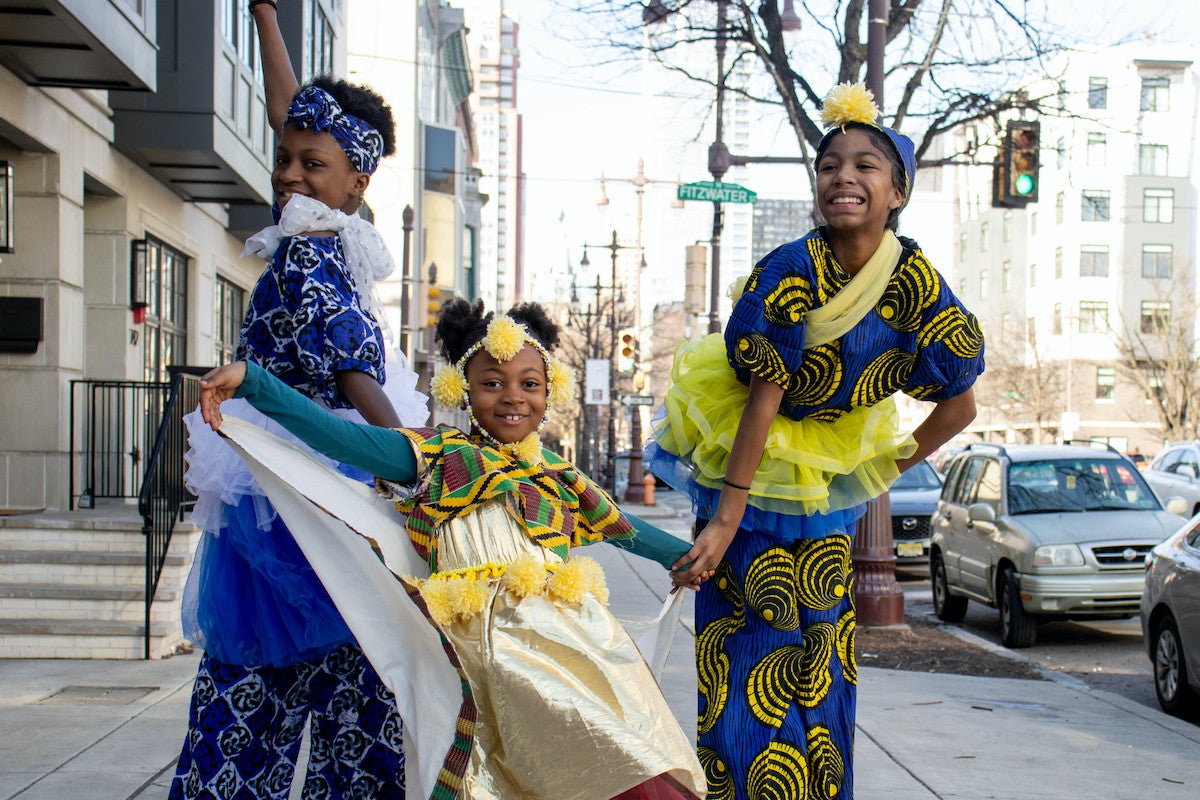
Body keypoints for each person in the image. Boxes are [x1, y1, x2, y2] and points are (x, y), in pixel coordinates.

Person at [194, 297, 708, 800]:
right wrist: (256, 383)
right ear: (463, 392)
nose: (512, 397)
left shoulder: (558, 473)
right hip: (483, 653)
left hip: (572, 643)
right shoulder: (436, 455)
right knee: (506, 770)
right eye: (492, 384)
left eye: (529, 384)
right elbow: (340, 440)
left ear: (550, 394)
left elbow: (628, 530)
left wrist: (694, 557)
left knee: (616, 752)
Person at [646, 83, 985, 800]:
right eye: (830, 165)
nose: (845, 177)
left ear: (898, 192)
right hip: (752, 469)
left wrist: (873, 467)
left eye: (867, 166)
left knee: (822, 668)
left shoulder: (918, 282)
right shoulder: (789, 268)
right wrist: (726, 517)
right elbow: (765, 394)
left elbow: (959, 405)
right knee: (745, 668)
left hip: (824, 494)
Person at [168, 3, 424, 798]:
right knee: (352, 703)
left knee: (262, 710)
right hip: (307, 505)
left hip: (303, 501)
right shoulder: (317, 245)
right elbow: (355, 377)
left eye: (311, 165)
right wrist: (423, 466)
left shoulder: (320, 248)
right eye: (286, 161)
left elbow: (357, 379)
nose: (287, 175)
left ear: (358, 179)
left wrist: (268, 19)